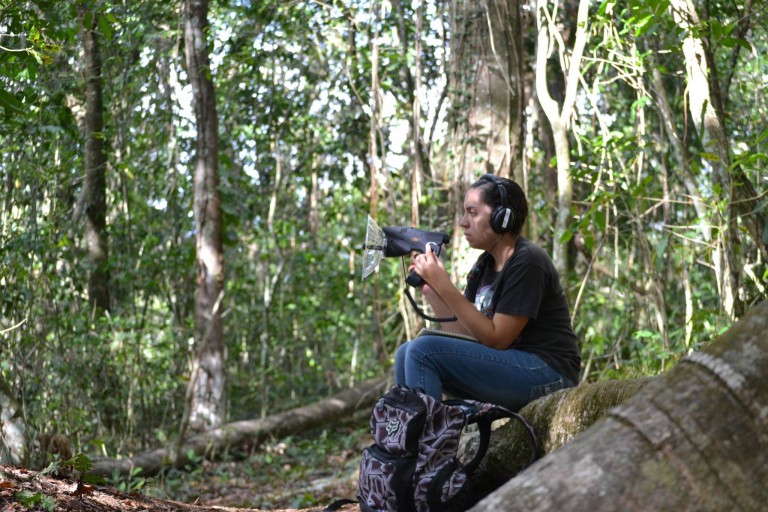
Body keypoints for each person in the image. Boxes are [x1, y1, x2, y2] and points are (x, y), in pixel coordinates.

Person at [394, 174, 580, 411]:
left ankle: (428, 444)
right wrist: (432, 290)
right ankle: (409, 444)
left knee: (422, 351)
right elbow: (465, 336)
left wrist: (445, 285)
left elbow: (498, 339)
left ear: (502, 218)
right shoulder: (484, 266)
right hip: (511, 366)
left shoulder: (528, 261)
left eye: (473, 213)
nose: (463, 222)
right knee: (405, 353)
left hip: (549, 373)